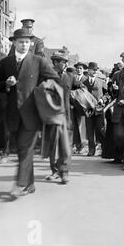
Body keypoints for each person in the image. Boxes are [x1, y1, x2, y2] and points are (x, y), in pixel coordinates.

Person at [0, 28, 60, 197]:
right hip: (13, 114)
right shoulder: (5, 63)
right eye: (21, 42)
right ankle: (30, 184)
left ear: (31, 43)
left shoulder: (38, 61)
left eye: (27, 42)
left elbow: (55, 79)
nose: (24, 45)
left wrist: (42, 91)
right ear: (14, 43)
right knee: (22, 149)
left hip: (32, 113)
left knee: (25, 147)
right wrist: (7, 85)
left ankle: (20, 184)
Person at [44, 50, 82, 184]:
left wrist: (75, 100)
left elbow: (80, 88)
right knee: (53, 144)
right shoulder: (47, 76)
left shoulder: (70, 77)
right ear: (54, 62)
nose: (65, 64)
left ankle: (64, 172)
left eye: (66, 62)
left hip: (67, 116)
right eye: (62, 62)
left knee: (66, 146)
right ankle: (55, 171)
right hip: (52, 116)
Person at [83, 62, 107, 156]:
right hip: (88, 110)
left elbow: (107, 94)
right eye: (92, 69)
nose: (94, 71)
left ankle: (103, 148)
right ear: (88, 70)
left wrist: (102, 99)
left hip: (99, 109)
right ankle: (91, 149)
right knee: (89, 130)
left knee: (101, 129)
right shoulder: (83, 83)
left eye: (95, 70)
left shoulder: (101, 81)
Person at [71, 61, 88, 154]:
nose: (78, 70)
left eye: (80, 68)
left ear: (83, 69)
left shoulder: (86, 79)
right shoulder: (72, 78)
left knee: (82, 125)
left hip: (82, 105)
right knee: (74, 125)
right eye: (77, 68)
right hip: (73, 105)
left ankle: (82, 145)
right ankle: (75, 144)